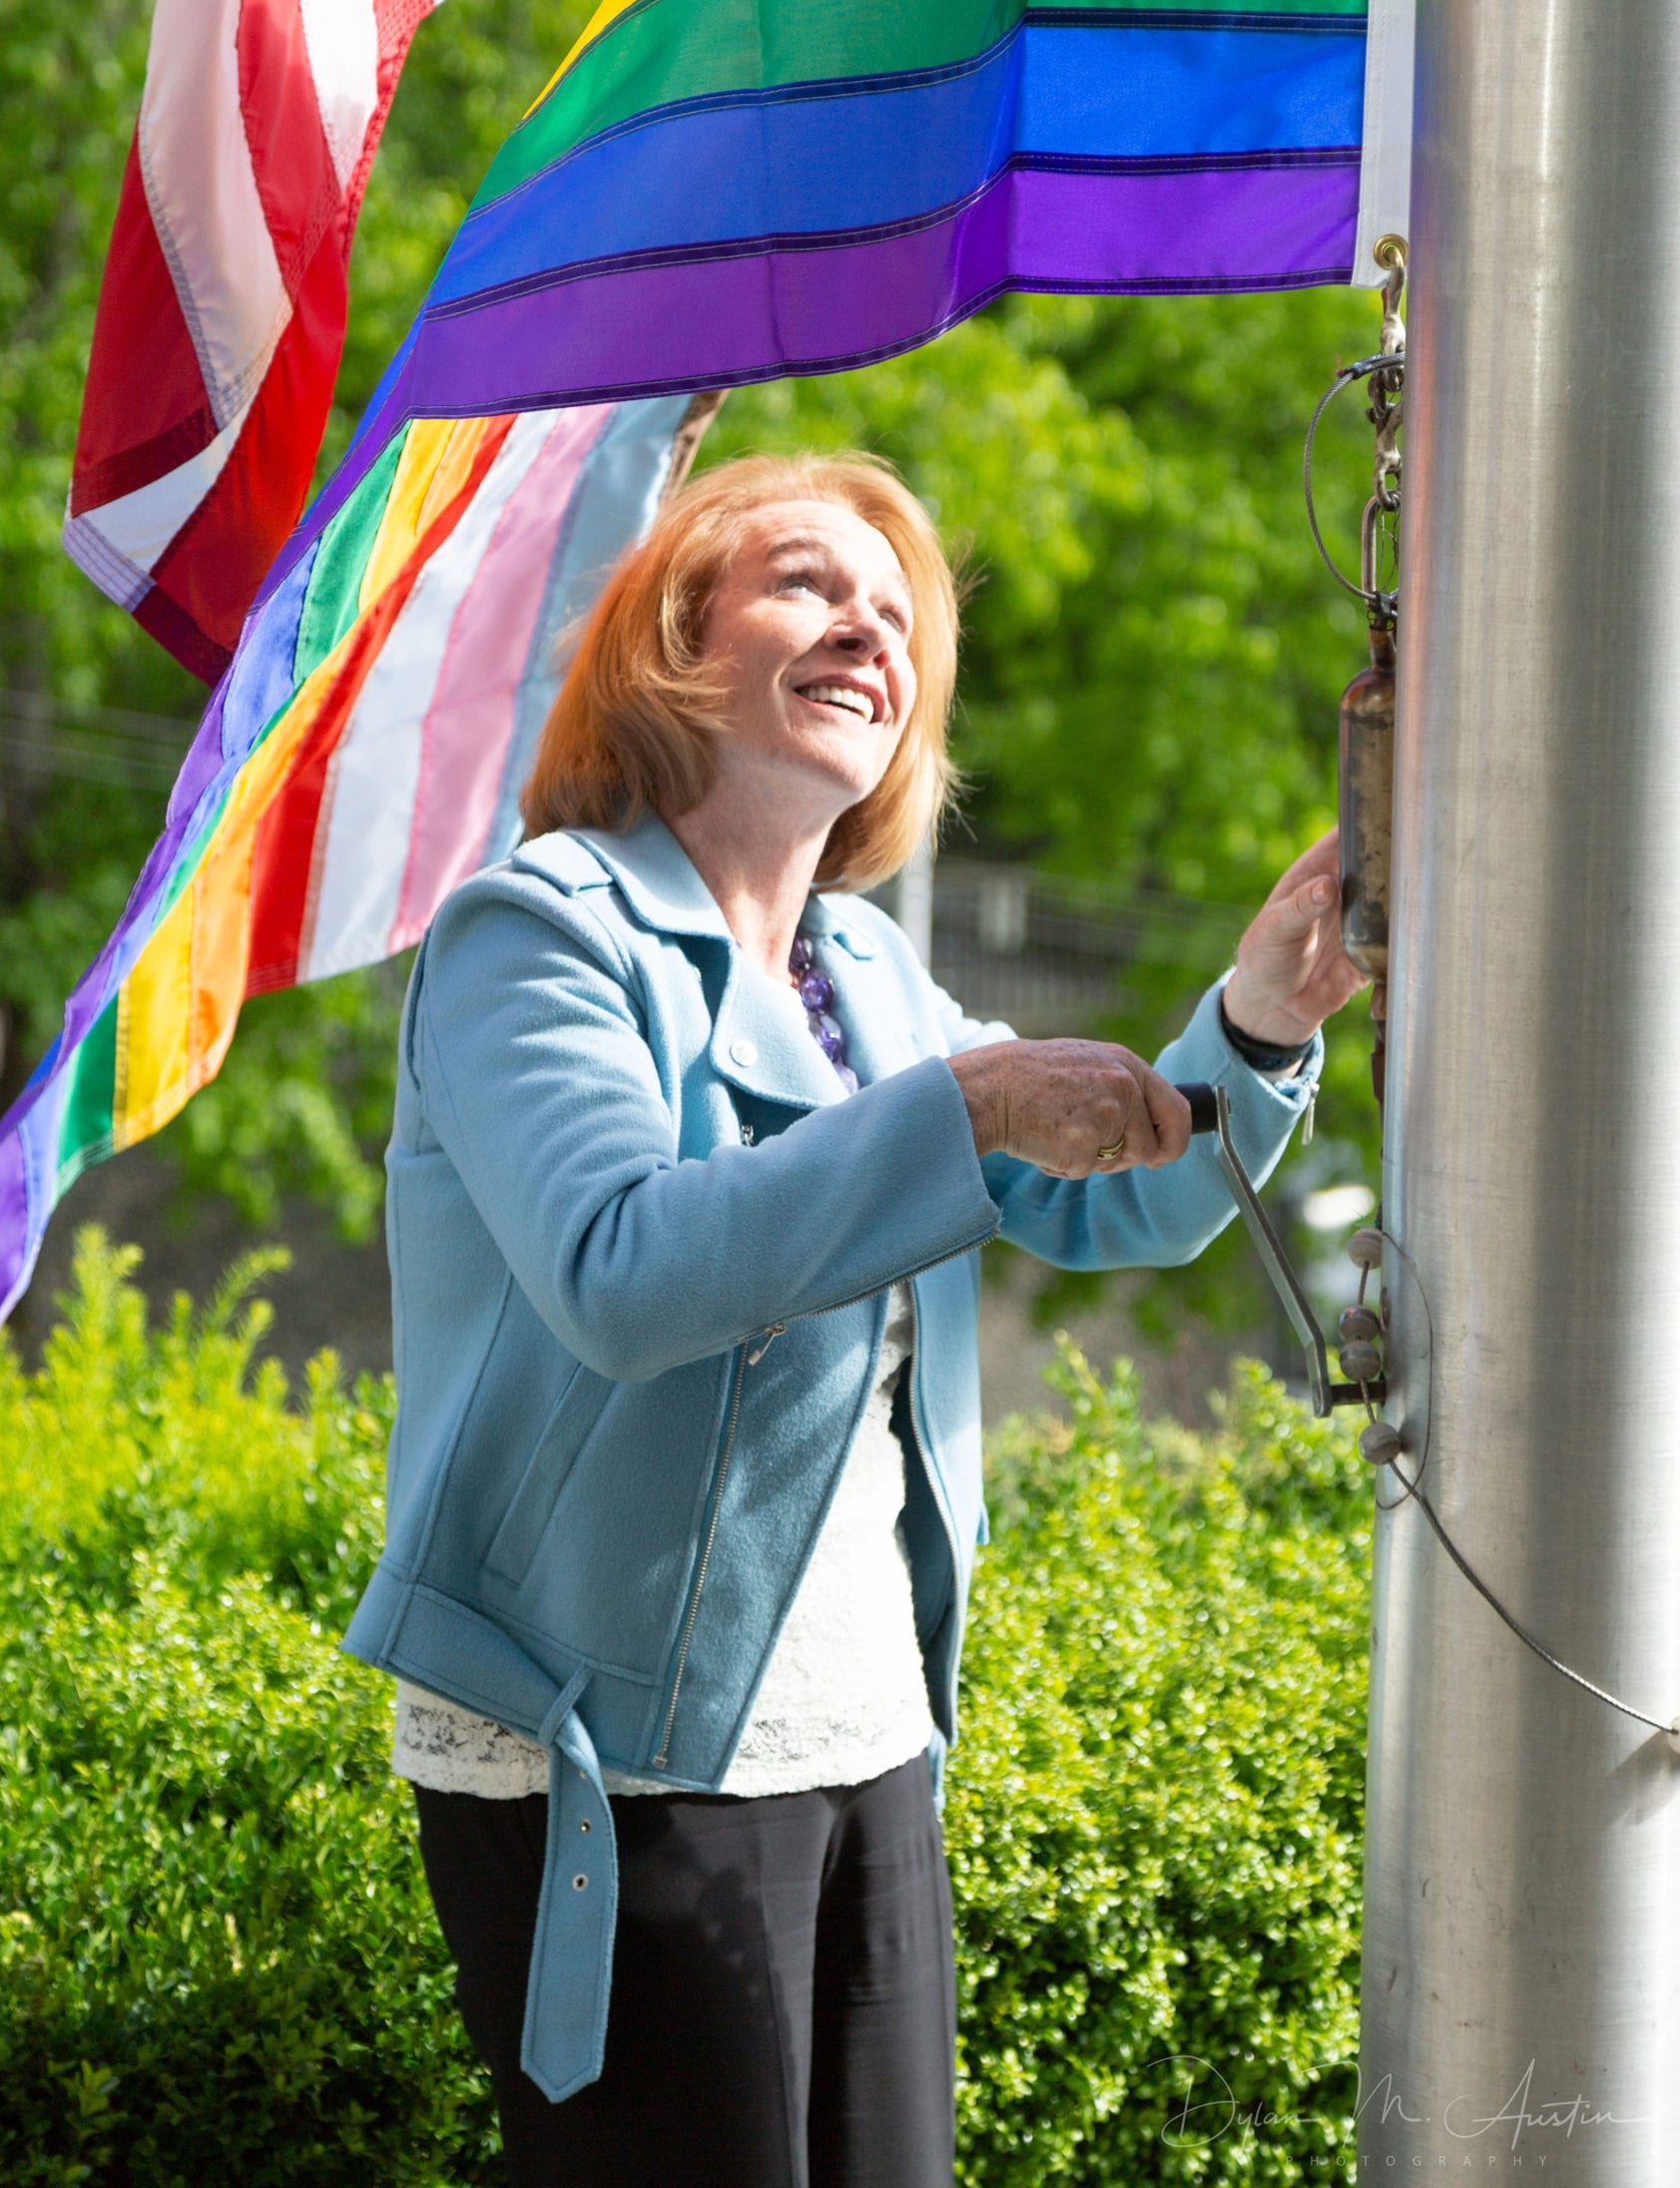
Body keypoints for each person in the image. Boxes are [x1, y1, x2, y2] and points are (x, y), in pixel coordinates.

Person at [342, 449, 1365, 2188]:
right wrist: (966, 1108)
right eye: (807, 585)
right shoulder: (535, 933)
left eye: (897, 618)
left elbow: (1107, 1196)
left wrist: (1258, 1021)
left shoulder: (869, 973)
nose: (868, 632)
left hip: (870, 1724)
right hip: (615, 1752)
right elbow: (621, 1271)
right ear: (674, 643)